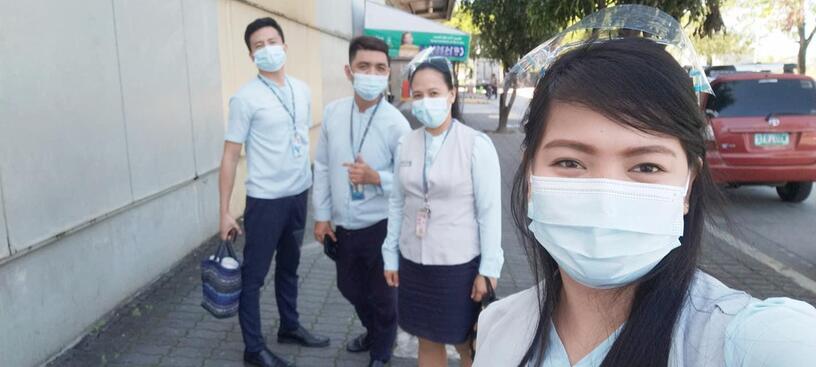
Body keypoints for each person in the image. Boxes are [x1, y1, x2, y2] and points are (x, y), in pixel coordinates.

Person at [473, 37, 816, 366]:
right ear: (530, 175)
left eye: (647, 166)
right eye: (570, 163)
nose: (605, 200)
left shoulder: (752, 342)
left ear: (687, 185)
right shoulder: (499, 328)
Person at [219, 17, 329, 367]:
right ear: (251, 55)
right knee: (254, 276)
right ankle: (253, 348)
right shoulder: (245, 99)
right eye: (258, 46)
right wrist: (224, 211)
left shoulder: (302, 89)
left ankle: (290, 326)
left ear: (285, 45)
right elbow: (230, 155)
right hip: (265, 201)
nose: (267, 49)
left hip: (299, 193)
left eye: (272, 41)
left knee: (290, 266)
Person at [382, 57, 504, 367]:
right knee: (427, 339)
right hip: (414, 261)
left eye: (434, 93)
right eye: (418, 95)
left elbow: (489, 212)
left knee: (465, 343)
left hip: (458, 266)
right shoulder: (405, 144)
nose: (425, 102)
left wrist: (488, 269)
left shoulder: (476, 145)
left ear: (452, 94)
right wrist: (390, 255)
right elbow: (397, 203)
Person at [312, 35, 411, 367]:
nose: (372, 73)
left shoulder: (397, 124)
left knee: (384, 296)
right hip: (344, 224)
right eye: (364, 66)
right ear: (348, 70)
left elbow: (408, 179)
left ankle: (381, 350)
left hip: (381, 224)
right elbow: (323, 165)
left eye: (380, 68)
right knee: (349, 288)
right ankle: (373, 331)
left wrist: (376, 178)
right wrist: (322, 215)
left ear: (388, 75)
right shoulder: (333, 113)